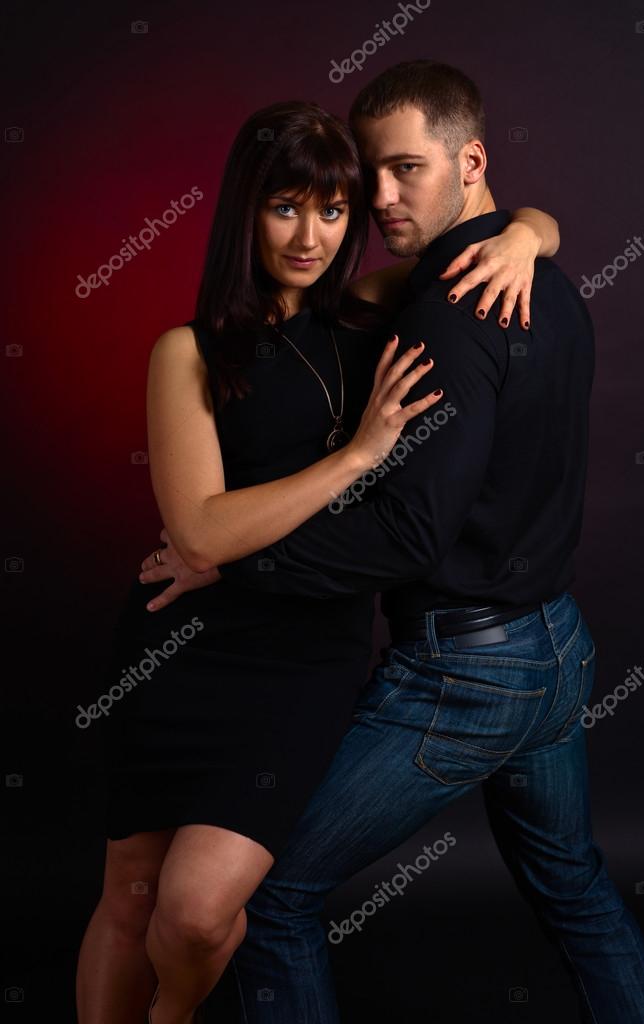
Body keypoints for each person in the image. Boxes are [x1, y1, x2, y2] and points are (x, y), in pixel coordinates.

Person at [141, 62, 644, 1023]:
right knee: (578, 891)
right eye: (367, 181)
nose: (381, 200)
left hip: (468, 677)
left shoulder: (445, 311)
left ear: (468, 161)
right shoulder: (544, 284)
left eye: (405, 172)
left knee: (269, 898)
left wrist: (229, 559)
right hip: (556, 647)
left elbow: (406, 532)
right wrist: (529, 227)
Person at [75, 94, 557, 1024]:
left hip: (302, 660)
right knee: (130, 898)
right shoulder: (188, 354)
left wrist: (527, 235)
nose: (310, 235)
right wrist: (358, 456)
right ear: (244, 210)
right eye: (285, 205)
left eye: (333, 210)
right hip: (181, 649)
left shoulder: (370, 311)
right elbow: (203, 534)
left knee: (199, 911)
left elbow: (508, 223)